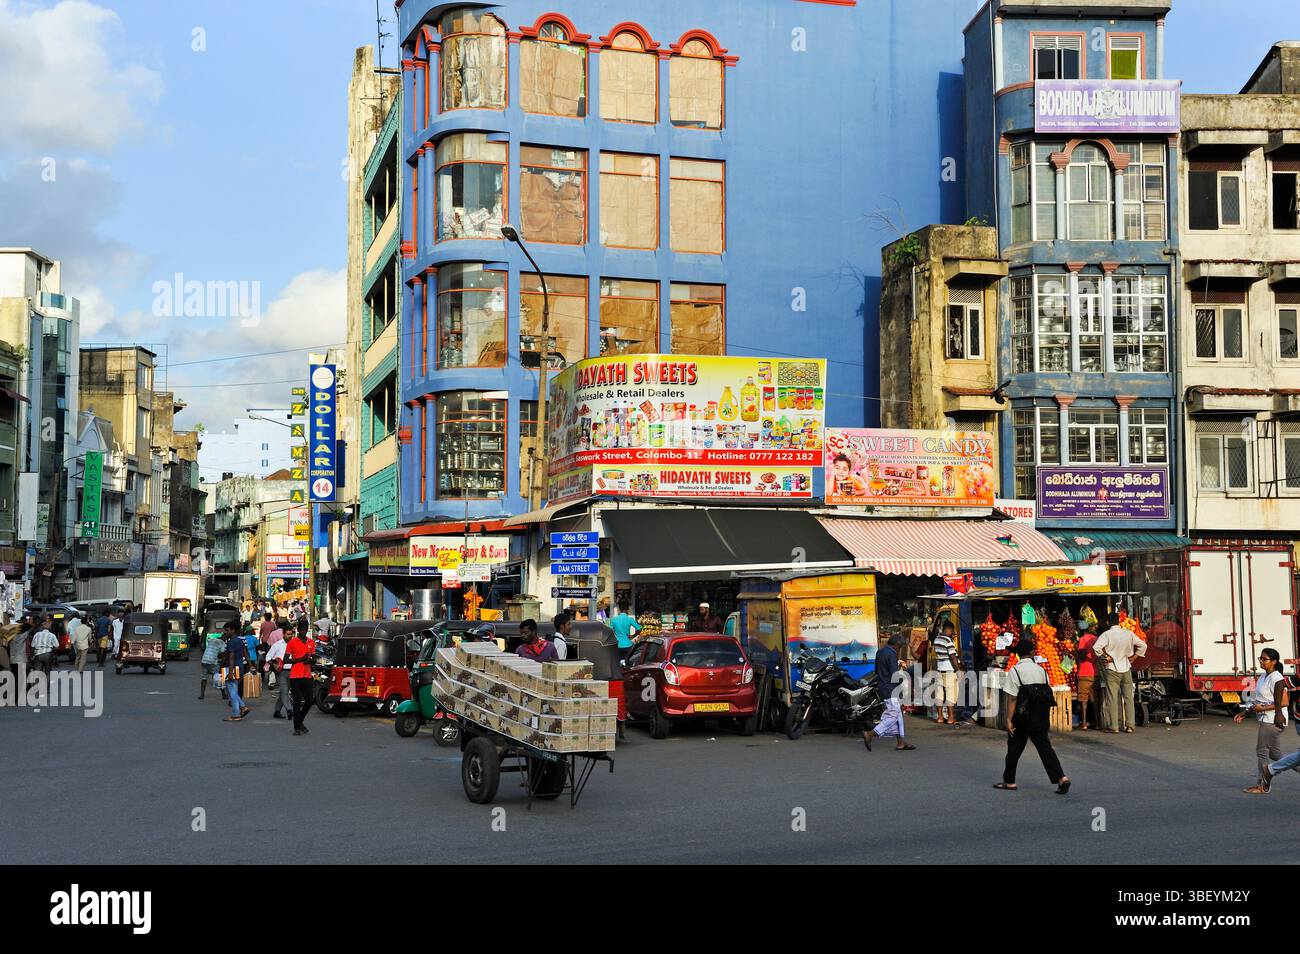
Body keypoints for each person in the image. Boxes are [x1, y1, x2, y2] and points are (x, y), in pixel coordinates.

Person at [995, 637, 1070, 794]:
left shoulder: (1015, 671)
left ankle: (1009, 781)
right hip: (1040, 715)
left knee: (1014, 749)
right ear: (1032, 653)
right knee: (1045, 747)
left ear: (1018, 654)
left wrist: (1008, 719)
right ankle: (1061, 778)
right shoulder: (1041, 671)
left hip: (1022, 717)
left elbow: (1012, 698)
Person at [1238, 648, 1289, 794]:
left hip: (1273, 720)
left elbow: (1284, 701)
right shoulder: (1263, 677)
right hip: (1266, 719)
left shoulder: (1277, 678)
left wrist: (1272, 713)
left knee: (1262, 751)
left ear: (1274, 661)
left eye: (1264, 659)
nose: (1261, 661)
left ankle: (1262, 785)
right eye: (1260, 658)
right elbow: (1258, 700)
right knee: (1275, 754)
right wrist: (1245, 712)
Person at [1093, 613, 1146, 734]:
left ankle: (1114, 726)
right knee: (1128, 698)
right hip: (1126, 668)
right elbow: (1143, 645)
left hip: (1112, 669)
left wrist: (1106, 656)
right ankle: (1130, 725)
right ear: (1119, 621)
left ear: (1107, 622)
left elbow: (1096, 647)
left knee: (1112, 698)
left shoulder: (1106, 635)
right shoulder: (1128, 633)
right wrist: (1134, 657)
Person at [863, 633, 915, 752]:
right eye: (900, 647)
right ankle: (870, 734)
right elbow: (894, 675)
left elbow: (876, 670)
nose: (899, 649)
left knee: (898, 715)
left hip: (883, 687)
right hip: (891, 689)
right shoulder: (892, 654)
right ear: (896, 645)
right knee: (893, 716)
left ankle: (901, 742)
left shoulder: (880, 652)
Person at [283, 624, 317, 736]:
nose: (303, 632)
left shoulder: (311, 642)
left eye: (305, 630)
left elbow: (314, 658)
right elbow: (286, 660)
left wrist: (310, 661)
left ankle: (299, 721)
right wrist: (300, 659)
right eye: (301, 630)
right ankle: (297, 728)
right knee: (297, 702)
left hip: (307, 675)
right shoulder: (292, 642)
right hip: (295, 676)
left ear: (307, 630)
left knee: (310, 700)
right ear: (298, 630)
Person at [932, 620, 960, 725]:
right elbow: (953, 657)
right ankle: (951, 718)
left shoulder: (937, 639)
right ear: (950, 630)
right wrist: (957, 670)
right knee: (950, 695)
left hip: (939, 670)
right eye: (952, 631)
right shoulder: (948, 641)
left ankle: (940, 717)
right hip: (949, 671)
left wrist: (951, 638)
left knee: (939, 694)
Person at [222, 621, 249, 722]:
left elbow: (231, 657)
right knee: (234, 689)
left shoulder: (231, 642)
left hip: (233, 668)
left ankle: (236, 714)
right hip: (241, 667)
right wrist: (250, 666)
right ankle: (241, 708)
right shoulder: (240, 641)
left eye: (227, 630)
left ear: (233, 630)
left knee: (232, 691)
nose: (225, 632)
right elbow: (246, 654)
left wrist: (230, 672)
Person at [1074, 619, 1098, 730]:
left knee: (1083, 698)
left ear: (1080, 630)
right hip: (1095, 671)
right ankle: (1096, 722)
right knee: (1093, 698)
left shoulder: (1083, 639)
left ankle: (1083, 723)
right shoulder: (1095, 638)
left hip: (1085, 671)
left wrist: (1075, 653)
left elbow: (1083, 655)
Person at [199, 624, 225, 701]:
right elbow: (222, 655)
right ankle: (224, 694)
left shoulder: (212, 640)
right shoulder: (222, 643)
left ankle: (202, 694)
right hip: (212, 662)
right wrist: (222, 664)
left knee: (204, 677)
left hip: (204, 660)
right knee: (218, 677)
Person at [266, 635, 289, 718]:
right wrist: (273, 664)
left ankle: (277, 710)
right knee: (284, 690)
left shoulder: (294, 643)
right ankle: (289, 709)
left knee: (284, 692)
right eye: (288, 634)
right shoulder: (277, 644)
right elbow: (268, 657)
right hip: (280, 671)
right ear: (283, 634)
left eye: (291, 634)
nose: (289, 636)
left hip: (292, 670)